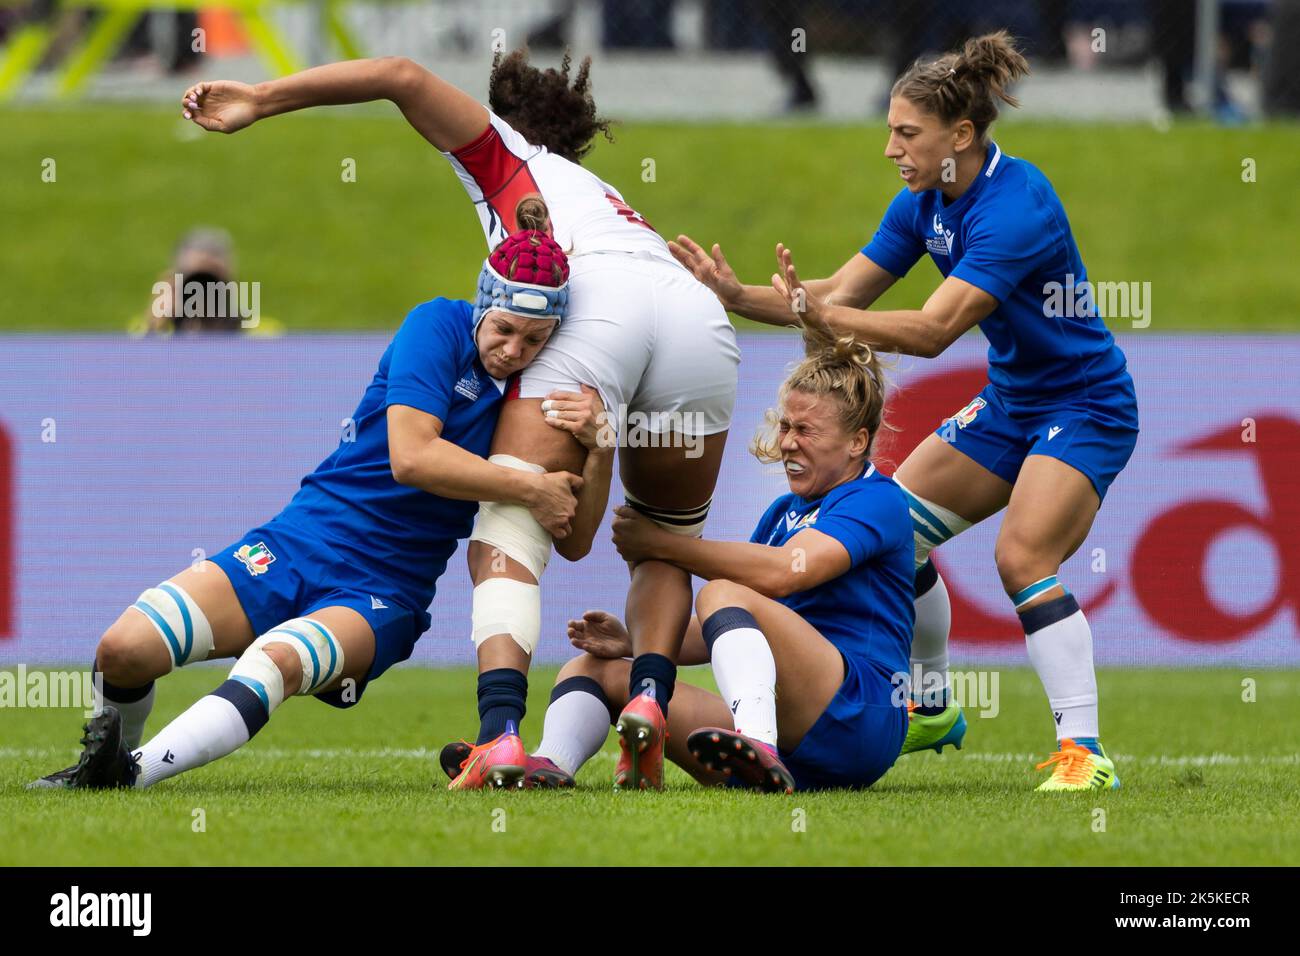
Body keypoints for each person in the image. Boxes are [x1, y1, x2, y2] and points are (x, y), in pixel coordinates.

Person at [180, 51, 740, 790]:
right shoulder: (601, 195)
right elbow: (583, 535)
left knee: (508, 526)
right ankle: (650, 695)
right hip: (697, 319)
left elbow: (401, 77)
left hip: (599, 305)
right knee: (664, 541)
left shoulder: (506, 161)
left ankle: (500, 735)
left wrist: (261, 96)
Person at [671, 31, 1138, 791]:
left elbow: (931, 329)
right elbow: (837, 296)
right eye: (890, 129)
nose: (890, 147)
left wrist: (822, 317)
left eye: (905, 132)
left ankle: (1084, 752)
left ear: (961, 135)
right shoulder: (924, 201)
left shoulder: (1017, 204)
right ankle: (928, 704)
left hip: (1085, 405)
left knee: (1021, 558)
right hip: (1014, 400)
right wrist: (738, 297)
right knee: (896, 523)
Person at [30, 227, 603, 792]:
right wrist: (526, 487)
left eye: (535, 339)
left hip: (385, 589)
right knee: (122, 650)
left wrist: (602, 444)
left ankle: (130, 776)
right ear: (484, 304)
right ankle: (107, 757)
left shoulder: (543, 390)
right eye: (505, 330)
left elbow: (572, 538)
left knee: (272, 661)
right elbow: (411, 457)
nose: (514, 351)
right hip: (298, 540)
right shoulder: (438, 325)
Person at [519, 334, 915, 792]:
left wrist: (662, 543)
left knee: (720, 590)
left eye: (805, 431)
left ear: (857, 441)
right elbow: (729, 625)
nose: (787, 443)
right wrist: (633, 642)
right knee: (590, 670)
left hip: (859, 718)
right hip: (796, 738)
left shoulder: (877, 498)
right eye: (784, 426)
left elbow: (786, 572)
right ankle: (550, 767)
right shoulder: (782, 512)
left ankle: (755, 744)